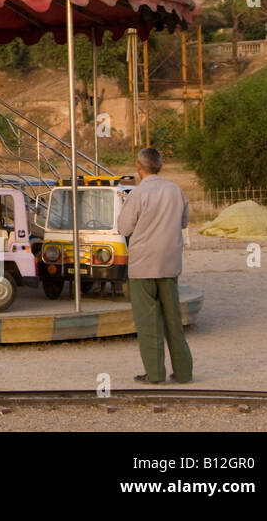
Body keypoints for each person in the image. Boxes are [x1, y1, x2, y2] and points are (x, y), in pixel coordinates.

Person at [117, 147, 194, 384]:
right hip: (169, 264)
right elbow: (183, 222)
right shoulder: (176, 191)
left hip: (143, 265)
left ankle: (155, 373)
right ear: (161, 166)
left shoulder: (138, 194)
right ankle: (183, 373)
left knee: (148, 323)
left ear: (139, 167)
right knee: (174, 321)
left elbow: (124, 228)